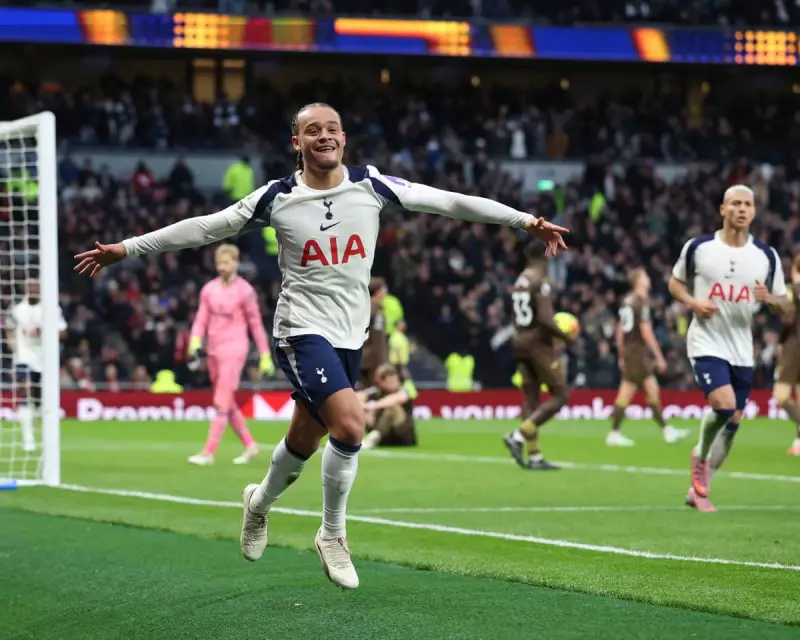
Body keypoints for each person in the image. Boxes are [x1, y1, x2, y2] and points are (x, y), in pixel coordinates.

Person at [73, 102, 568, 590]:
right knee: (352, 423)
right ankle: (332, 534)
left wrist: (522, 219)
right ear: (297, 143)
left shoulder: (372, 187)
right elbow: (205, 227)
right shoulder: (276, 198)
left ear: (344, 138)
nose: (325, 136)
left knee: (305, 441)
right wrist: (130, 248)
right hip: (300, 330)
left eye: (333, 128)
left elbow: (450, 201)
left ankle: (257, 504)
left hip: (352, 334)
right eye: (313, 130)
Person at [668, 185, 789, 512]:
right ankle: (700, 456)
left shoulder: (766, 256)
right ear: (722, 209)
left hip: (741, 346)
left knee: (732, 424)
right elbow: (674, 282)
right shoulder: (700, 248)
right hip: (706, 339)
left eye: (748, 204)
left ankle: (700, 490)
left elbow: (784, 304)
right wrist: (693, 302)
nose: (742, 209)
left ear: (754, 211)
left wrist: (771, 300)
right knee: (723, 406)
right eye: (735, 203)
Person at [187, 244, 274, 467]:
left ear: (235, 263)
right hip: (213, 349)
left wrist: (265, 353)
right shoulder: (209, 290)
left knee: (221, 401)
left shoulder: (245, 291)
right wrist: (195, 340)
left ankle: (208, 452)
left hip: (235, 349)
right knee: (226, 401)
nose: (222, 267)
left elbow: (255, 324)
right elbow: (201, 319)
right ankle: (250, 445)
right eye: (219, 263)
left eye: (226, 262)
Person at [503, 244, 577, 471]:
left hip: (520, 341)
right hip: (537, 345)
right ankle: (518, 435)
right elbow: (546, 319)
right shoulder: (539, 282)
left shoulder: (520, 281)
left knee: (532, 398)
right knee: (560, 395)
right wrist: (565, 337)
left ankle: (534, 456)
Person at [606, 268, 690, 447]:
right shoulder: (641, 301)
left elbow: (620, 330)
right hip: (637, 353)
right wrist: (659, 356)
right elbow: (646, 332)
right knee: (628, 391)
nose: (648, 278)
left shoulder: (627, 301)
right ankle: (614, 432)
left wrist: (622, 354)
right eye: (645, 276)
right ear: (638, 281)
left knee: (652, 390)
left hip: (631, 352)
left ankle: (666, 430)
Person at [3, 278, 67, 452]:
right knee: (27, 391)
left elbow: (63, 333)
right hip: (24, 358)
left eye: (35, 285)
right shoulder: (17, 310)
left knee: (39, 400)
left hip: (45, 359)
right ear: (24, 288)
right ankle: (28, 438)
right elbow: (9, 328)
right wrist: (12, 343)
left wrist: (47, 331)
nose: (32, 288)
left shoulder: (51, 309)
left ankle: (40, 429)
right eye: (29, 286)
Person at [773, 255, 800, 456]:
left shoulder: (792, 290)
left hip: (794, 347)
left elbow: (789, 318)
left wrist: (781, 341)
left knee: (781, 396)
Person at [359, 363, 417, 449]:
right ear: (381, 382)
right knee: (359, 409)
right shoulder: (375, 392)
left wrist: (371, 406)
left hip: (401, 436)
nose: (395, 383)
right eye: (391, 381)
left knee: (393, 408)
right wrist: (364, 408)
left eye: (395, 380)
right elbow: (357, 396)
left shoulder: (403, 391)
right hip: (383, 437)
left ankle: (373, 437)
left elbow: (396, 399)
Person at [359, 277, 388, 389]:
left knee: (365, 387)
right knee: (374, 390)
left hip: (364, 356)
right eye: (384, 288)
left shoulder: (364, 306)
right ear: (378, 291)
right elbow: (378, 338)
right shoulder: (376, 310)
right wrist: (382, 361)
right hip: (373, 359)